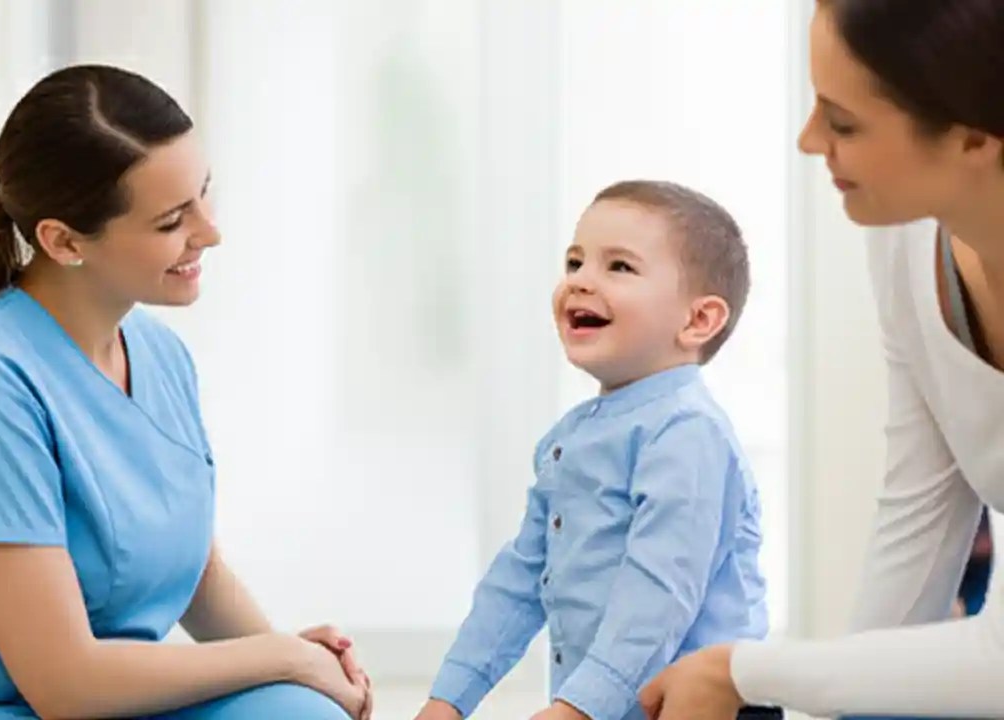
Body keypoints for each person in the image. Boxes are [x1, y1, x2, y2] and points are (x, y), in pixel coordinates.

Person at [0, 64, 371, 720]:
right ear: (63, 240)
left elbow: (194, 571)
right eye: (171, 221)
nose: (210, 232)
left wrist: (301, 671)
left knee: (300, 714)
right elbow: (66, 684)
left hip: (99, 695)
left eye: (205, 196)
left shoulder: (158, 354)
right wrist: (283, 657)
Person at [639, 1, 1004, 718]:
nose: (809, 141)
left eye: (842, 123)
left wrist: (742, 673)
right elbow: (920, 519)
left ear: (972, 138)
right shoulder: (904, 242)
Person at [412, 180, 770, 720]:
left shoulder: (688, 434)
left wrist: (578, 707)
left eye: (618, 267)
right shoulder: (570, 439)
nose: (580, 282)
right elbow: (520, 579)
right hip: (605, 708)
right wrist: (450, 697)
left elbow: (659, 594)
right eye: (574, 262)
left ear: (698, 320)